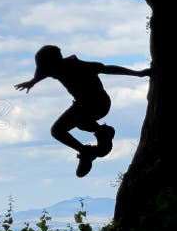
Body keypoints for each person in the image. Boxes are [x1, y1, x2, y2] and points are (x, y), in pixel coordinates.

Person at [14, 45, 151, 177]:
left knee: (80, 122)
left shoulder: (79, 66)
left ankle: (102, 133)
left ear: (56, 61)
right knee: (57, 131)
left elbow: (107, 69)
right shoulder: (54, 68)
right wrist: (32, 82)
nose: (48, 71)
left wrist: (138, 73)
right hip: (81, 106)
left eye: (48, 67)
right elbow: (42, 73)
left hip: (100, 104)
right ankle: (87, 150)